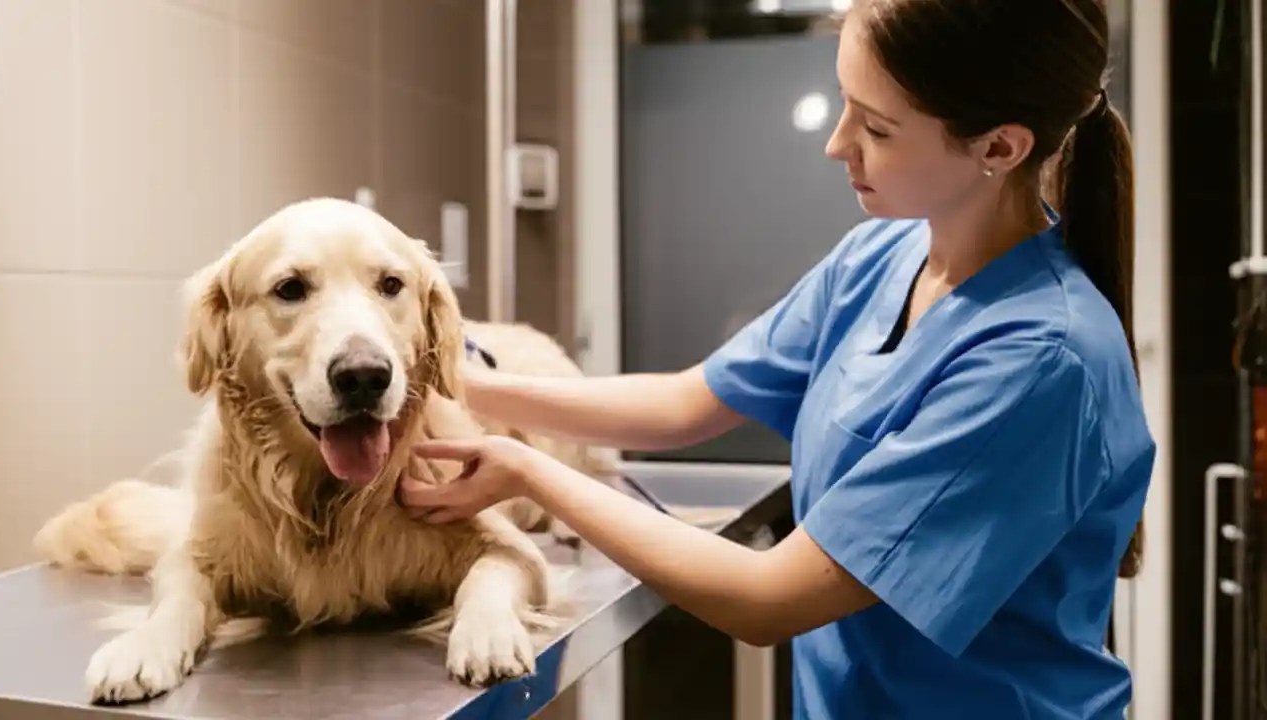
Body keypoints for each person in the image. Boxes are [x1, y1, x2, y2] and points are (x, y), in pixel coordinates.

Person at [402, 1, 1154, 717]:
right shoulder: (882, 257)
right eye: (845, 102)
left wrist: (529, 469)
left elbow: (767, 601)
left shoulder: (1039, 361)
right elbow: (688, 404)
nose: (836, 143)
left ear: (999, 147)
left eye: (878, 128)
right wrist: (452, 380)